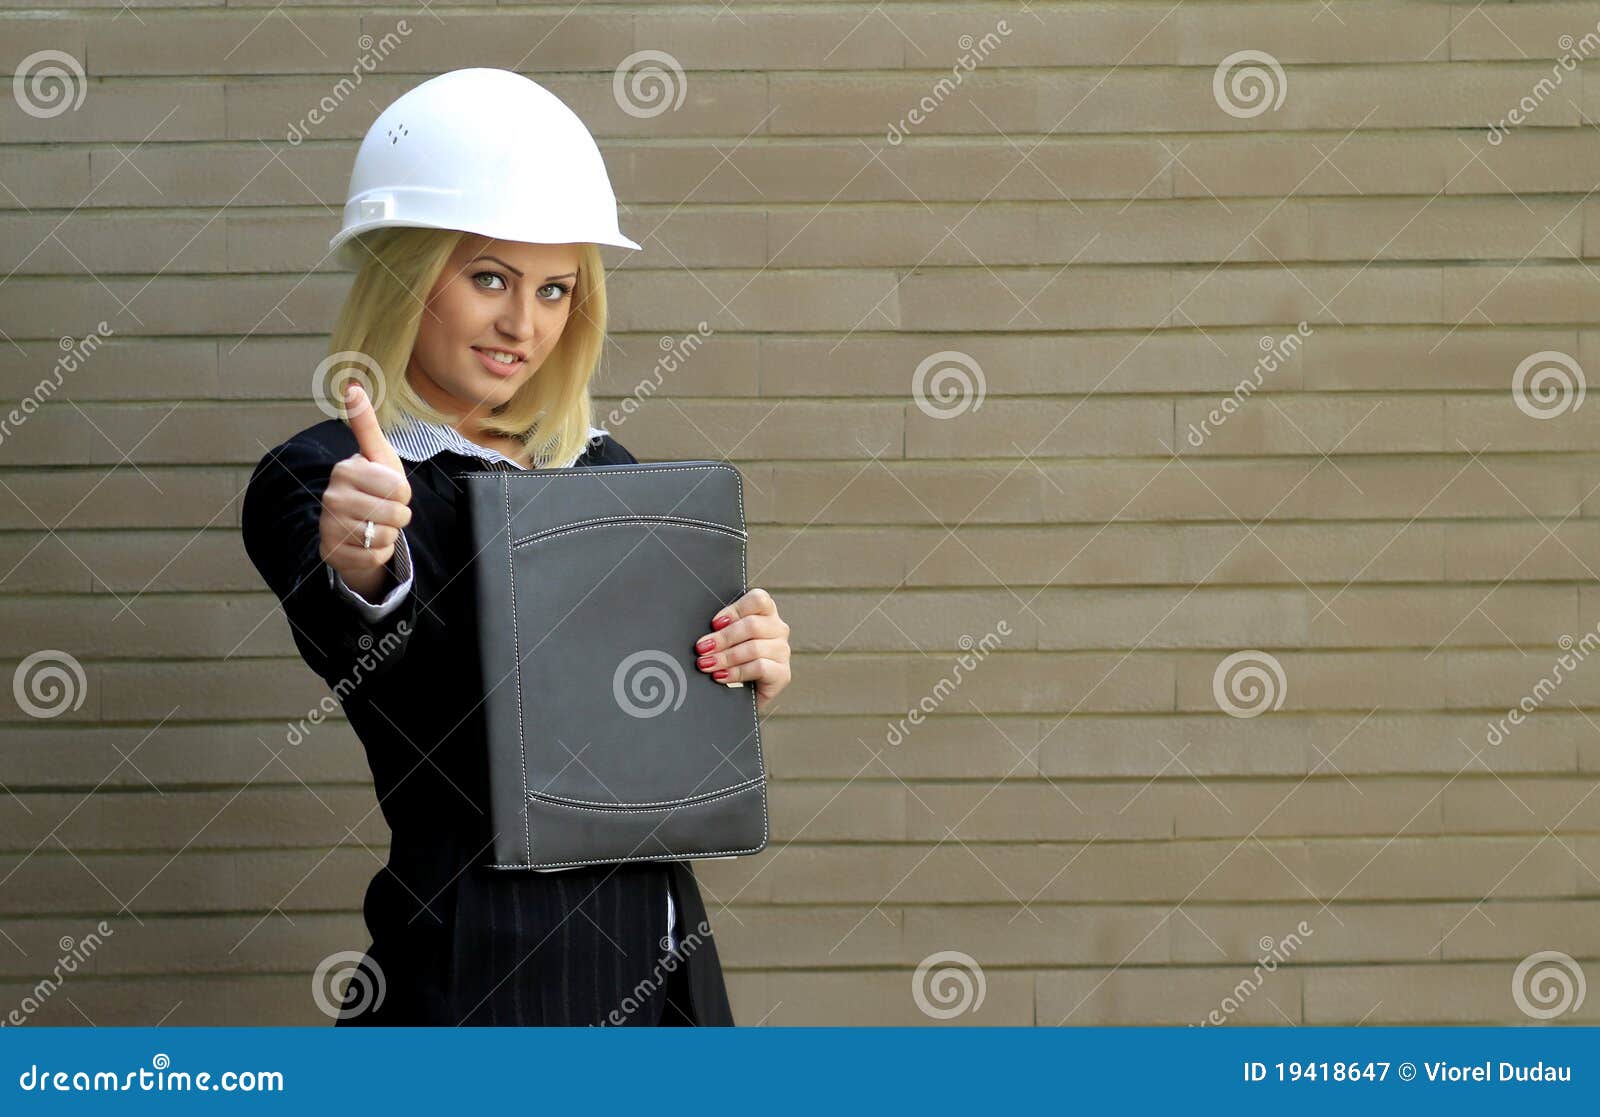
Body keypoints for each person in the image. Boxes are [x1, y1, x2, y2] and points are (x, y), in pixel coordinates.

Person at [240, 68, 792, 1025]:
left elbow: (642, 727)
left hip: (668, 968)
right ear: (408, 274)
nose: (522, 325)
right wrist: (366, 560)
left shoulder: (600, 463)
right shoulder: (322, 473)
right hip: (484, 976)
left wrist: (735, 662)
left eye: (554, 289)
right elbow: (370, 640)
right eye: (488, 277)